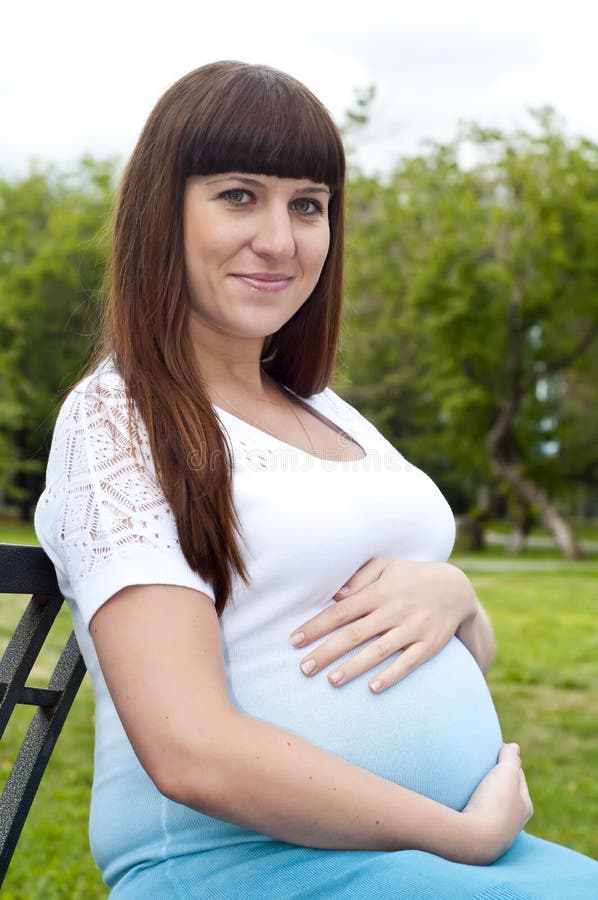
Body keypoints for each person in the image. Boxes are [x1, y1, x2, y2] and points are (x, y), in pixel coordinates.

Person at [35, 61, 598, 899]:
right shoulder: (120, 418)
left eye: (308, 204)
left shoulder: (328, 410)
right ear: (162, 212)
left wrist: (458, 596)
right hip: (245, 865)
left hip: (425, 860)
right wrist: (464, 837)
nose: (281, 239)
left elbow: (453, 650)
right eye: (238, 196)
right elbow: (189, 746)